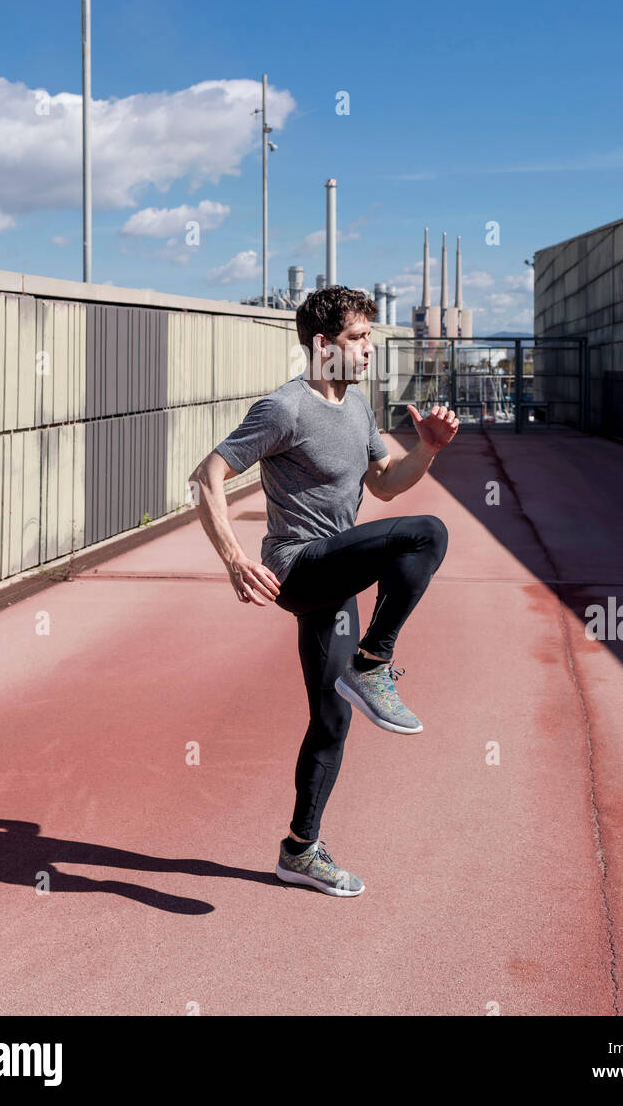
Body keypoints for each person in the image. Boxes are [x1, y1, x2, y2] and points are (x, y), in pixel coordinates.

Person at [189, 285, 457, 896]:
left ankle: (300, 849)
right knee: (428, 535)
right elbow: (206, 476)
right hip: (299, 566)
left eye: (370, 337)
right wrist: (234, 559)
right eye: (359, 338)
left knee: (331, 719)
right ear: (322, 344)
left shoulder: (358, 406)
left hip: (335, 572)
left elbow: (386, 485)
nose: (370, 349)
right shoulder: (284, 408)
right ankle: (373, 662)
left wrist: (428, 451)